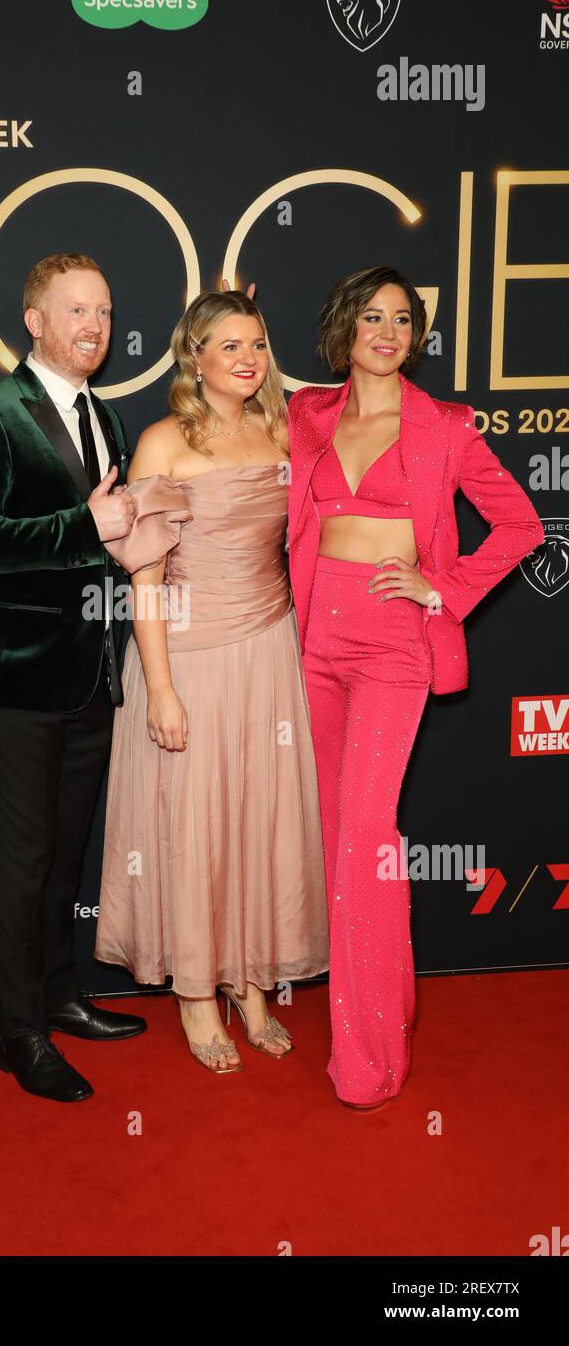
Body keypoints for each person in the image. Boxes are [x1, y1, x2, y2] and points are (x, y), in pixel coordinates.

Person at [287, 265, 544, 1110]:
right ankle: (378, 1013)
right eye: (373, 317)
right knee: (341, 840)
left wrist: (445, 589)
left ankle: (370, 1058)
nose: (388, 333)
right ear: (345, 328)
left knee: (367, 833)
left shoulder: (447, 427)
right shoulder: (307, 412)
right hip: (313, 637)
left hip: (392, 644)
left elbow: (522, 525)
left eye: (402, 319)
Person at [95, 291, 329, 1072]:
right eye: (226, 345)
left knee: (257, 819)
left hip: (269, 649)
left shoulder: (284, 430)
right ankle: (197, 994)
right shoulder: (163, 442)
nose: (246, 358)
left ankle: (250, 980)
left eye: (256, 342)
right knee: (195, 825)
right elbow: (147, 577)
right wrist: (159, 688)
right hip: (188, 654)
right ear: (192, 356)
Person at [0, 253, 146, 1104]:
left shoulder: (109, 418)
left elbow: (104, 544)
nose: (92, 327)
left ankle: (60, 995)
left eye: (102, 311)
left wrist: (136, 534)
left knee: (63, 857)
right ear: (34, 320)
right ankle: (16, 1033)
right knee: (21, 862)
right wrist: (82, 522)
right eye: (74, 311)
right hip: (14, 684)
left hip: (91, 675)